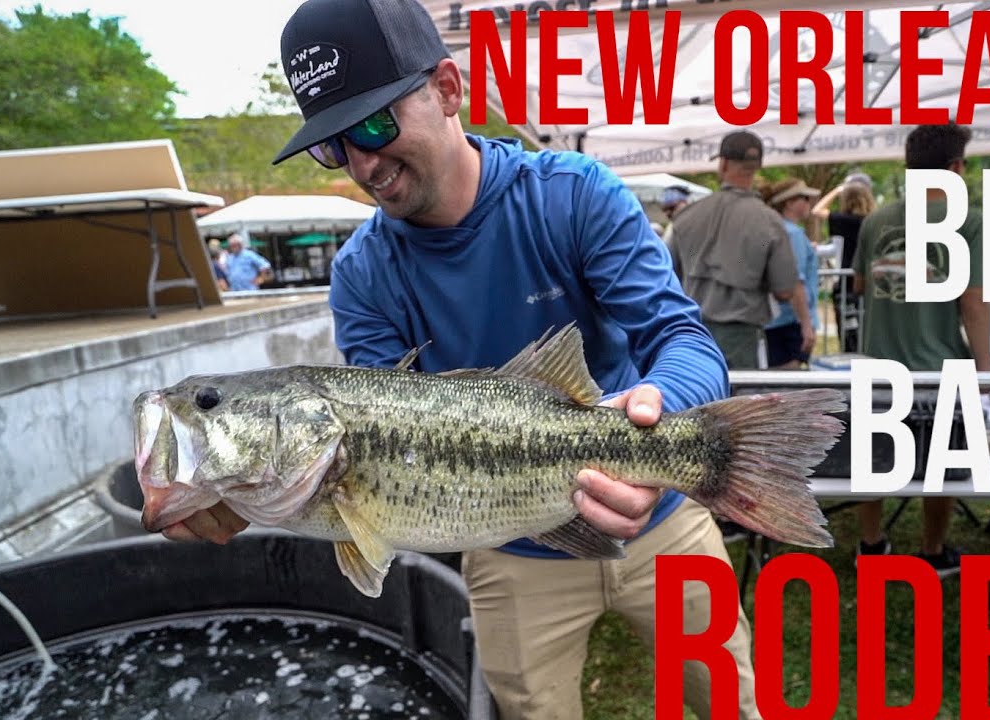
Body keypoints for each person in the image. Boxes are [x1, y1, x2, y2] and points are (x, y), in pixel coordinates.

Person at [163, 1, 765, 718]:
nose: (363, 162)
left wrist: (655, 408)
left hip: (665, 517)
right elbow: (380, 451)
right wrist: (248, 494)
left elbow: (683, 339)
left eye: (375, 124)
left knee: (728, 702)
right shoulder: (362, 275)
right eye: (332, 145)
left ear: (448, 88)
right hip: (508, 546)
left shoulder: (575, 195)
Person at [852, 123, 990, 577]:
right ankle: (932, 551)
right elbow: (974, 301)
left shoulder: (875, 220)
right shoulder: (970, 221)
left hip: (877, 364)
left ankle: (871, 546)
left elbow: (857, 284)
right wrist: (985, 370)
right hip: (940, 368)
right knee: (941, 464)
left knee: (871, 460)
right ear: (955, 167)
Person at [669, 130, 814, 370]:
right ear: (757, 167)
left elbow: (668, 277)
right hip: (742, 339)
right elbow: (785, 290)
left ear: (723, 163)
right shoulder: (769, 222)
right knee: (742, 404)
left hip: (691, 334)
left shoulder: (686, 218)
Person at [811, 172, 878, 353]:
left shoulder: (841, 220)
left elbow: (817, 210)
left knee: (847, 332)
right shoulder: (874, 221)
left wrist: (836, 190)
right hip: (871, 283)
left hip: (845, 285)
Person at [760, 178, 821, 370]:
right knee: (788, 380)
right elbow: (796, 281)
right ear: (789, 203)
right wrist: (806, 324)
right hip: (790, 321)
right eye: (804, 197)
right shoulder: (792, 234)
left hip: (775, 320)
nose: (808, 202)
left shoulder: (773, 229)